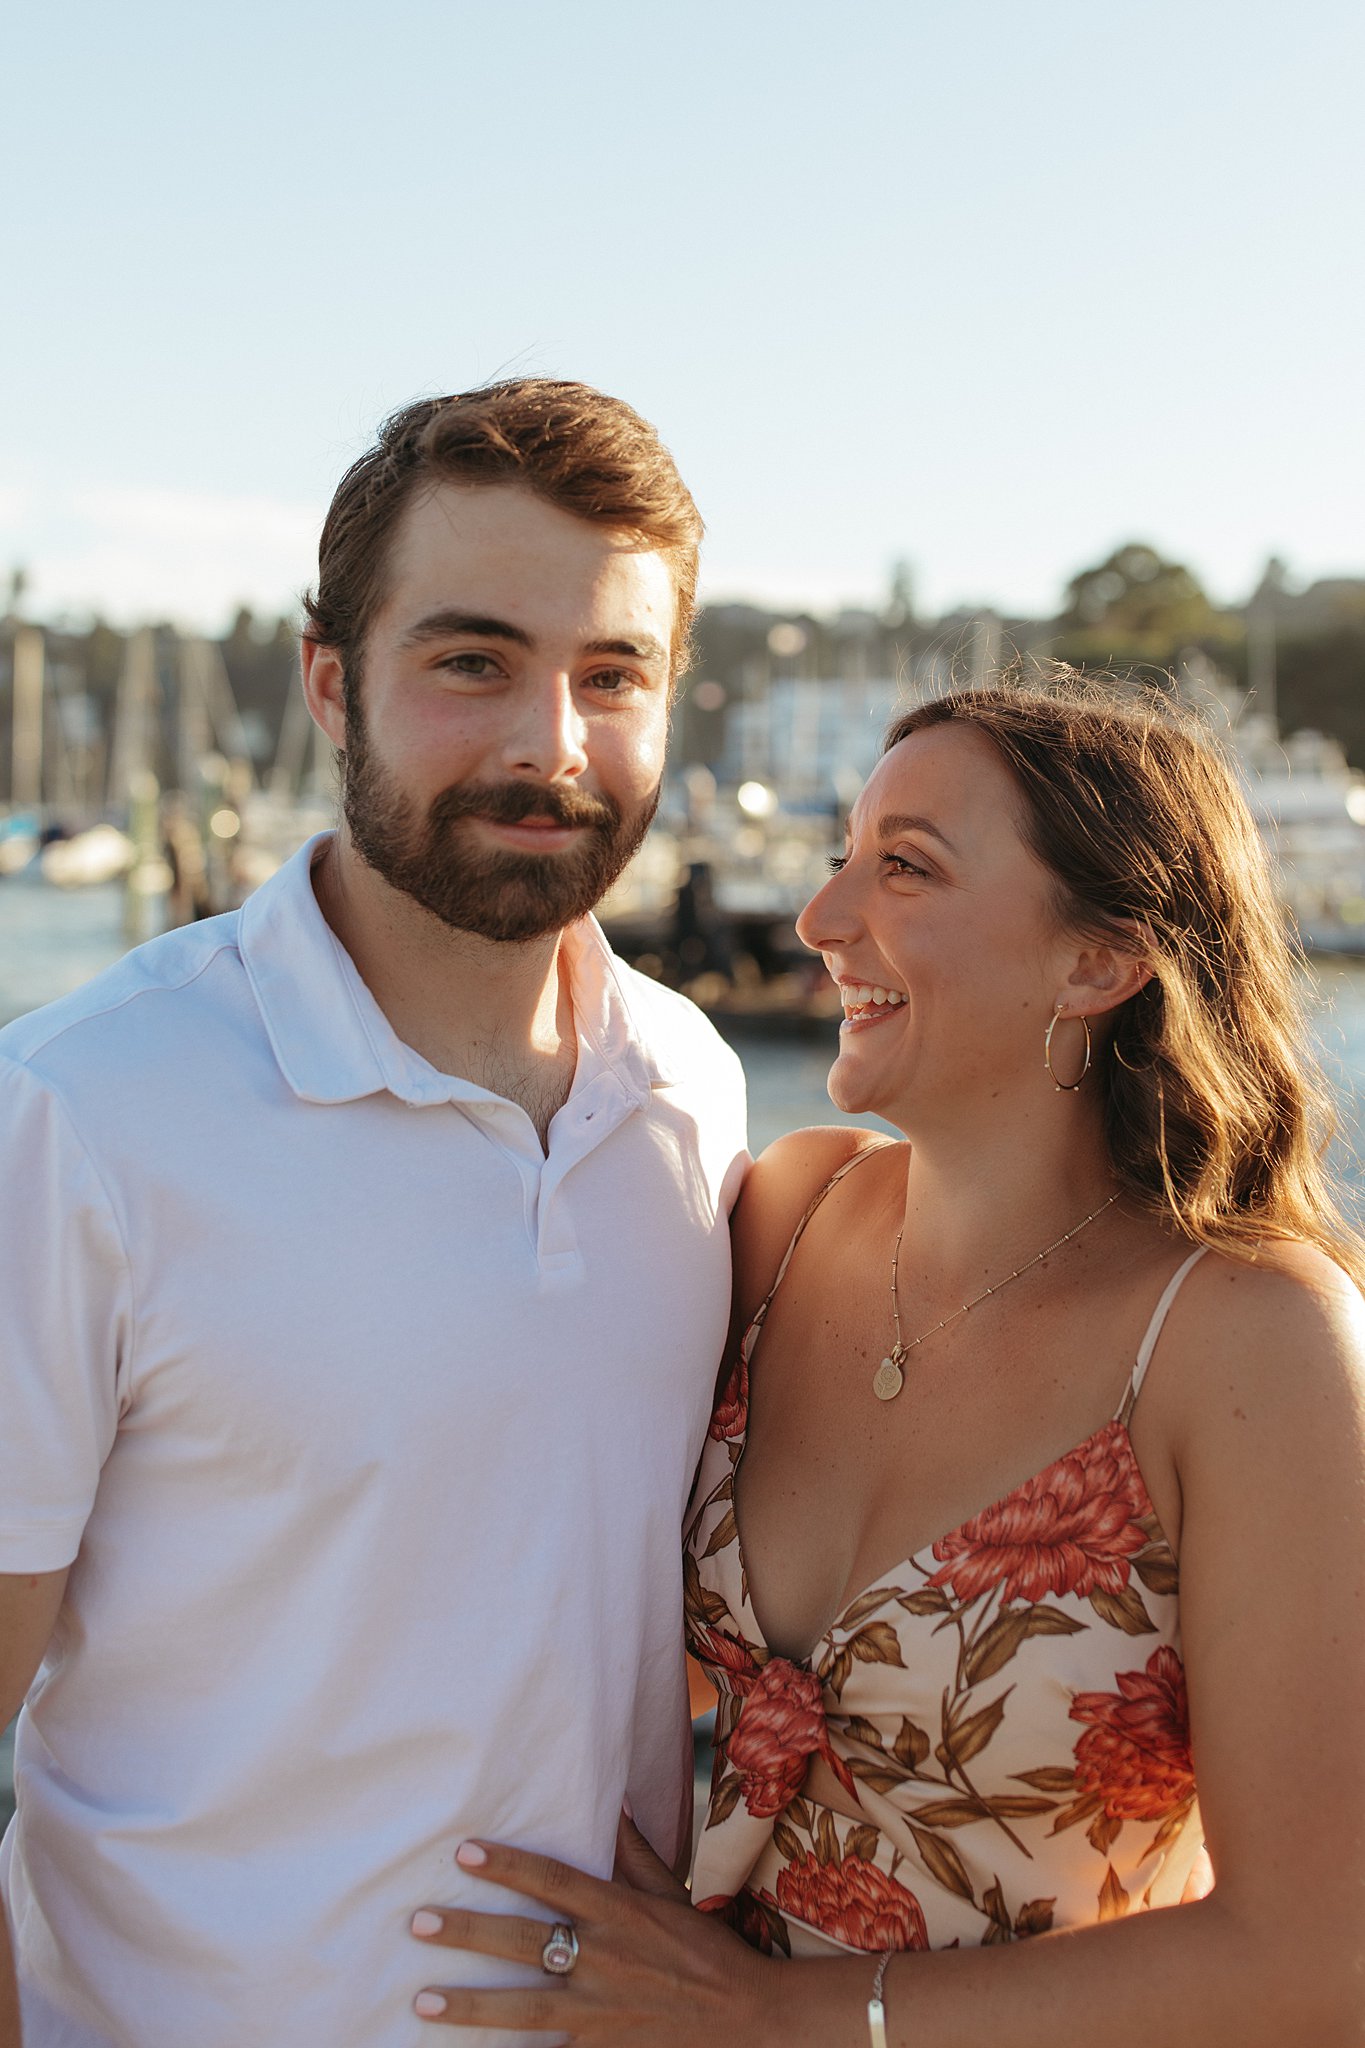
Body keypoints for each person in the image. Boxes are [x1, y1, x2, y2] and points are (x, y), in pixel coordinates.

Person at [406, 678, 1365, 2046]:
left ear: (1098, 961)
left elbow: (1318, 1963)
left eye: (903, 868)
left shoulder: (1248, 1340)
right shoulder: (786, 1219)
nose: (820, 920)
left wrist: (782, 2014)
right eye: (840, 856)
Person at [0, 379, 748, 2048]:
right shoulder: (79, 1111)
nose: (548, 740)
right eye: (471, 659)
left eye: (610, 676)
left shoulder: (690, 1091)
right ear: (331, 679)